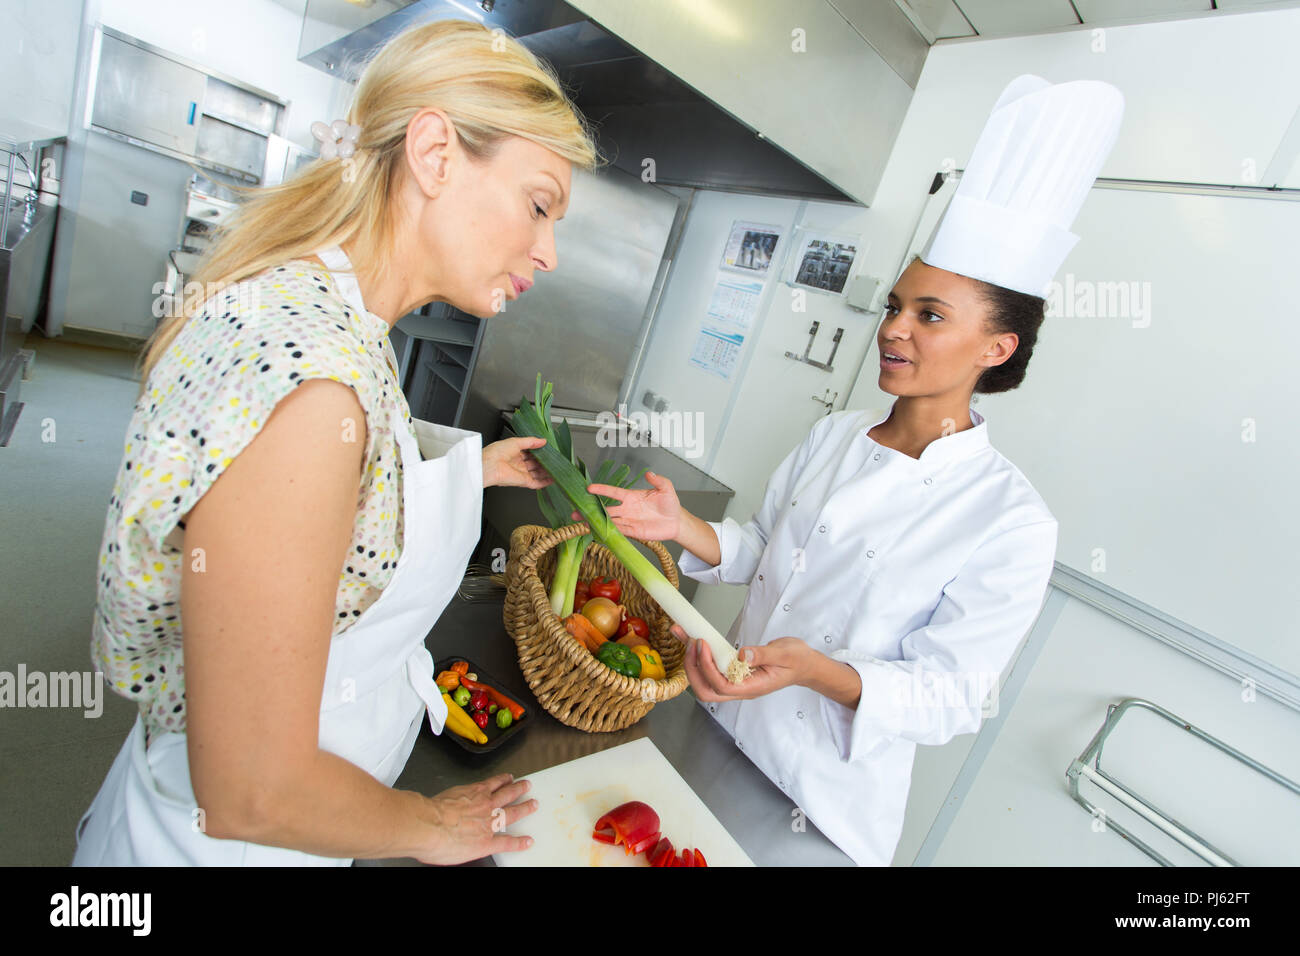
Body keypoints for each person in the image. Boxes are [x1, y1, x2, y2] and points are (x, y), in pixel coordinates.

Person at [72, 19, 598, 866]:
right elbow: (255, 790)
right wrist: (431, 828)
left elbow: (352, 488)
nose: (549, 250)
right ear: (433, 153)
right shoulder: (317, 386)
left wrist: (473, 467)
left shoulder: (328, 314)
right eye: (539, 205)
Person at [583, 76, 1125, 865]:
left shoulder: (1010, 521)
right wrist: (684, 529)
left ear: (995, 349)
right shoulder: (837, 434)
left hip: (821, 800)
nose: (894, 328)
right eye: (897, 306)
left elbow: (949, 699)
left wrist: (819, 673)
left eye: (929, 316)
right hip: (719, 722)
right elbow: (764, 546)